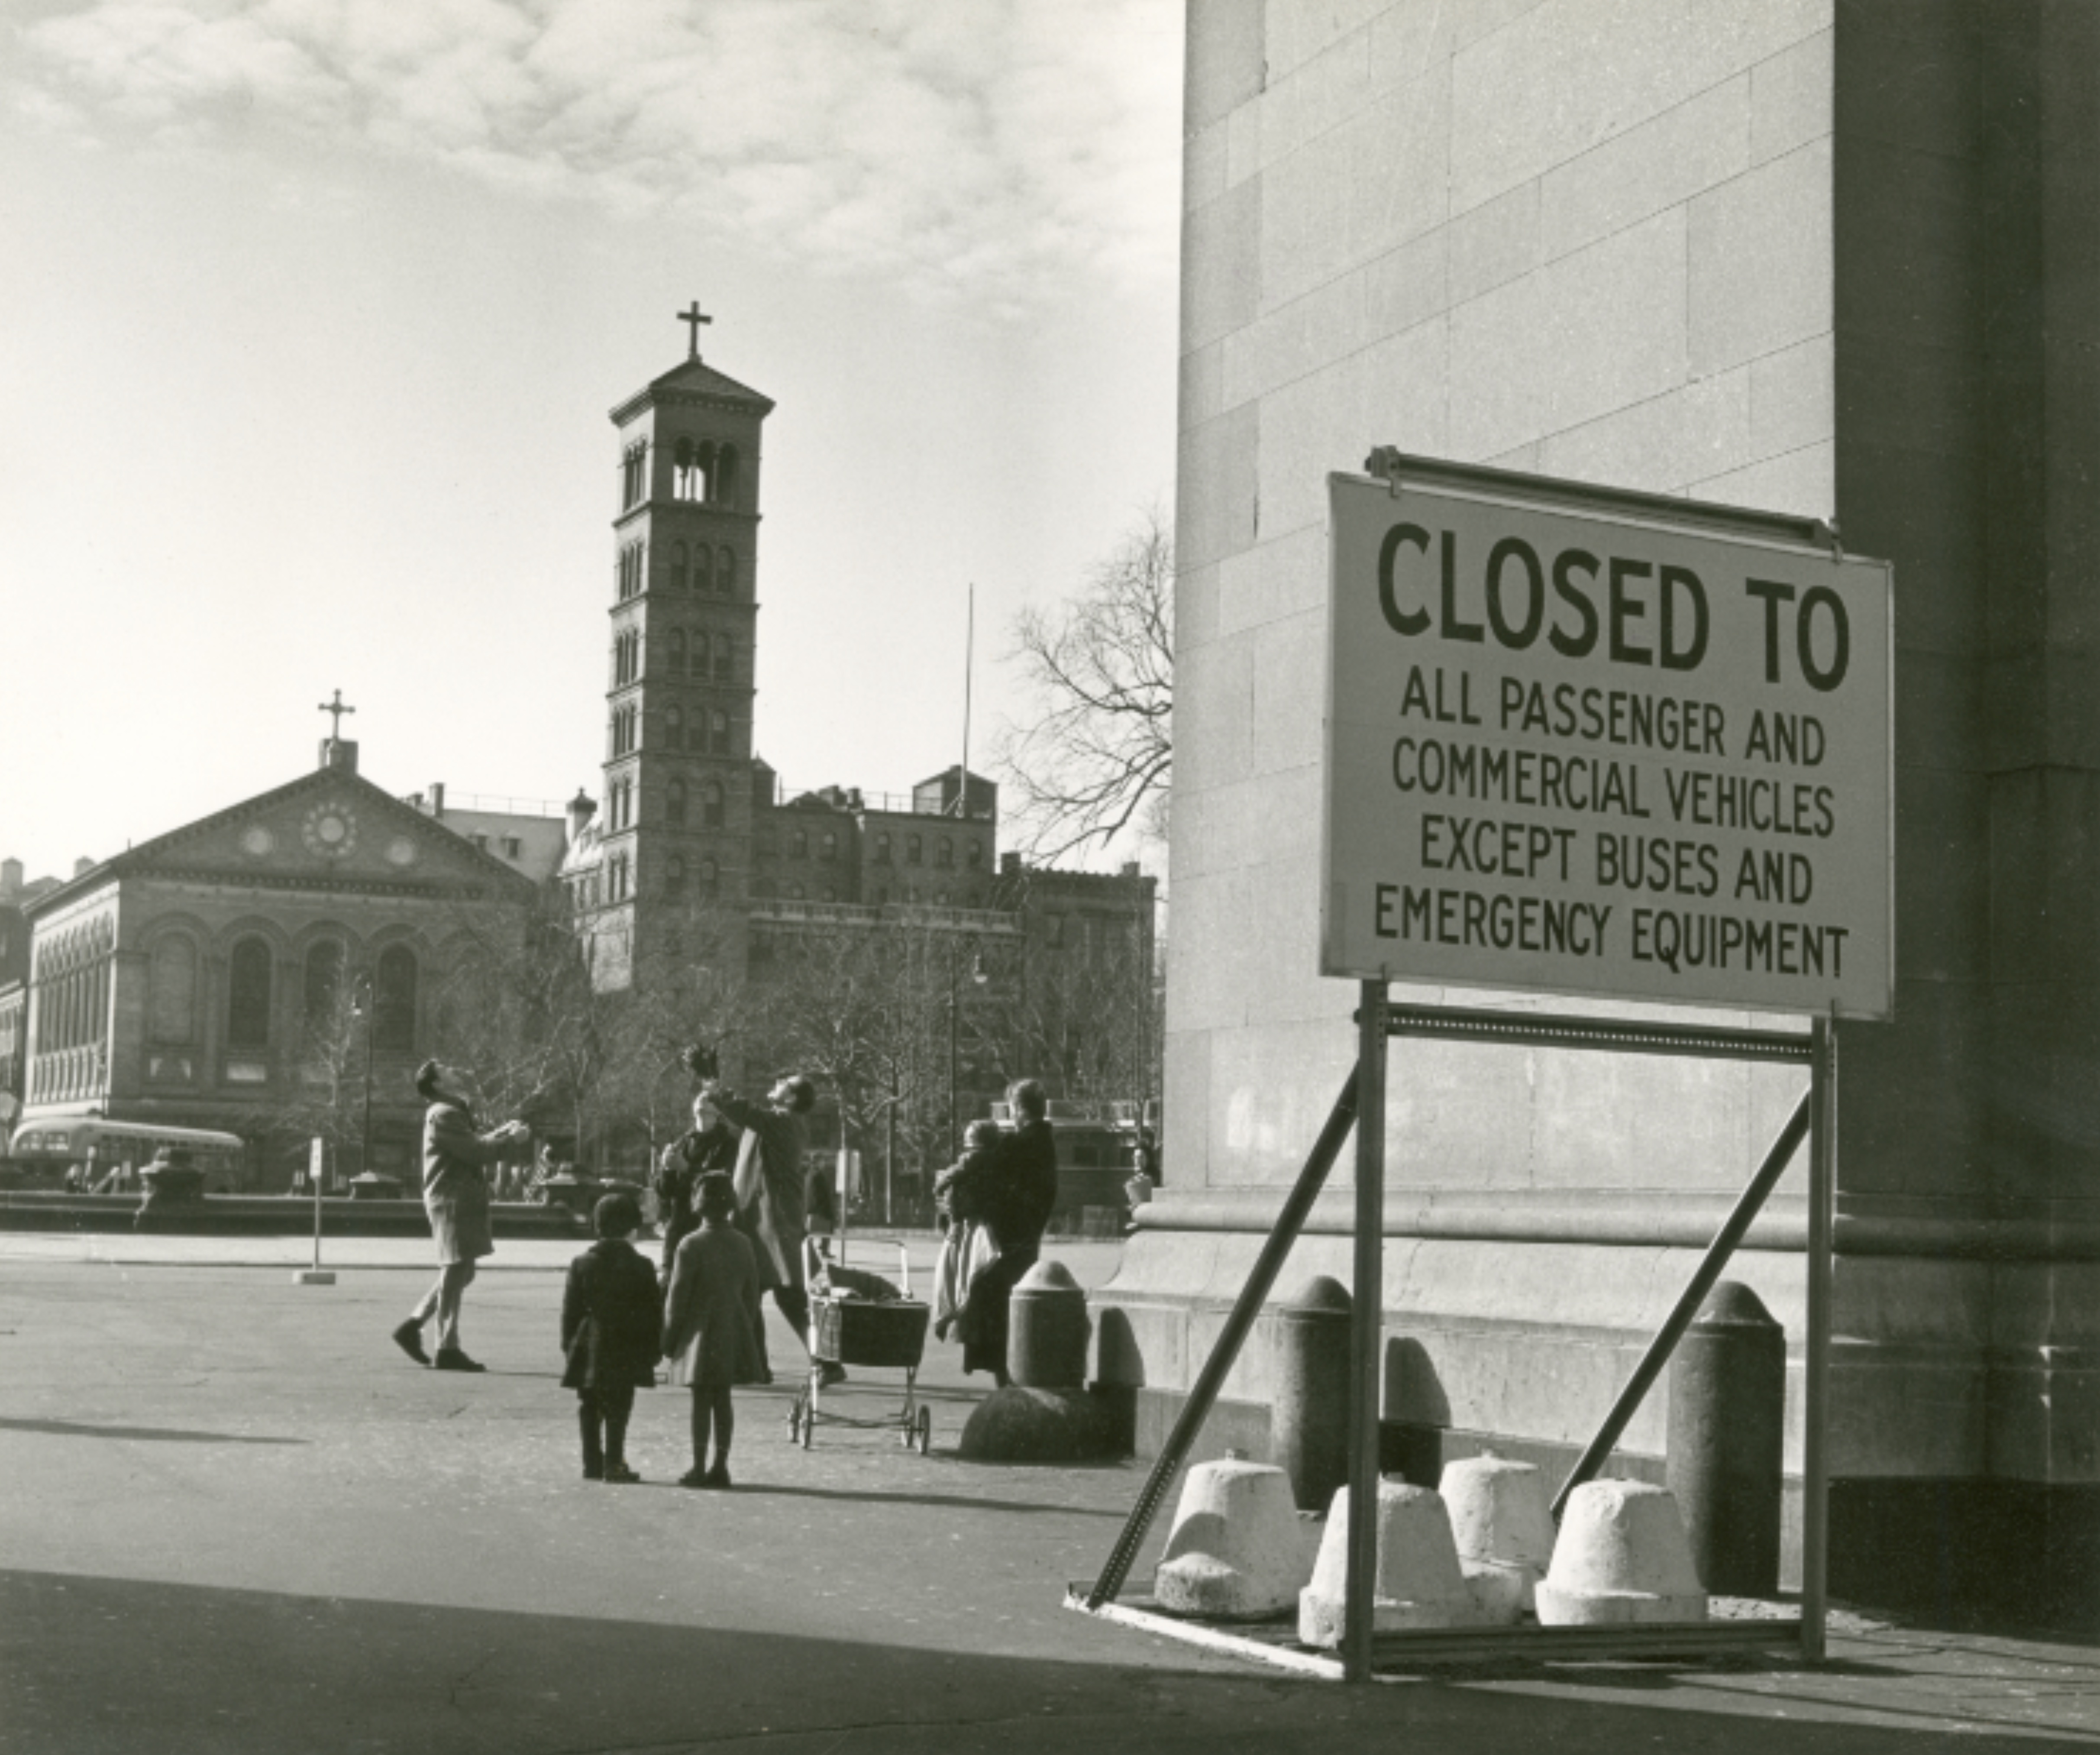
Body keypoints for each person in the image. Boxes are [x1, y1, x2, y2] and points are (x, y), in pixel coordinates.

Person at [391, 1060, 529, 1372]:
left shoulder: (450, 1111)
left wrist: (504, 1132)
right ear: (438, 1084)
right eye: (445, 1069)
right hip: (452, 1197)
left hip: (455, 1196)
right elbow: (477, 1152)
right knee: (456, 1269)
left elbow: (471, 1145)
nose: (453, 1070)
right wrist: (512, 1140)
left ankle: (413, 1326)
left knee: (463, 1271)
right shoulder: (445, 1113)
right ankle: (447, 1347)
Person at [700, 1070, 828, 1376]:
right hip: (763, 1222)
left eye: (784, 1083)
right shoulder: (777, 1121)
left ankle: (806, 1361)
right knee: (764, 1294)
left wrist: (715, 1086)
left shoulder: (784, 1122)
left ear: (793, 1098)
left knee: (778, 1295)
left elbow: (744, 1112)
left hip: (771, 1224)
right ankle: (762, 1364)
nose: (777, 1082)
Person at [662, 1173, 769, 1489]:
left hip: (698, 1334)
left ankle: (697, 1465)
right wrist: (744, 1326)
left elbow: (677, 1299)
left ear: (698, 1203)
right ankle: (721, 1465)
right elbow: (752, 1294)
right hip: (733, 1329)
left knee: (700, 1401)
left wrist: (669, 1340)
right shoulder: (744, 1243)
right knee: (724, 1400)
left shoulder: (690, 1245)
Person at [956, 1079, 1060, 1386]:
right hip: (1025, 1244)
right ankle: (1008, 1380)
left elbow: (986, 1180)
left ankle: (1006, 1385)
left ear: (1018, 1109)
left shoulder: (1017, 1146)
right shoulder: (1044, 1145)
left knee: (995, 1318)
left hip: (1003, 1246)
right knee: (1011, 1317)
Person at [560, 1192, 661, 1484]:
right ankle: (615, 1462)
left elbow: (570, 1312)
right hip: (627, 1344)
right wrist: (653, 1349)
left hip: (589, 1342)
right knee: (620, 1405)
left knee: (589, 1404)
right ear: (633, 1227)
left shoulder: (581, 1263)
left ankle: (592, 1460)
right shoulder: (642, 1266)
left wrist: (569, 1346)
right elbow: (653, 1312)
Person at [653, 1094, 741, 1282]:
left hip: (708, 1228)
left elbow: (721, 1184)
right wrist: (667, 1169)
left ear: (718, 1112)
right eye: (700, 1099)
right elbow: (664, 1192)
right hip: (678, 1229)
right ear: (694, 1108)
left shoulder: (728, 1144)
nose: (703, 1101)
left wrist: (687, 1169)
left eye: (710, 1100)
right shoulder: (682, 1142)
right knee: (670, 1287)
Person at [932, 1119, 1005, 1344]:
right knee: (965, 1271)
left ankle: (948, 1317)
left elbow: (952, 1178)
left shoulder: (973, 1159)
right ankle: (952, 1316)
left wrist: (940, 1185)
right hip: (973, 1218)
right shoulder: (991, 1161)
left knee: (957, 1272)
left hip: (965, 1218)